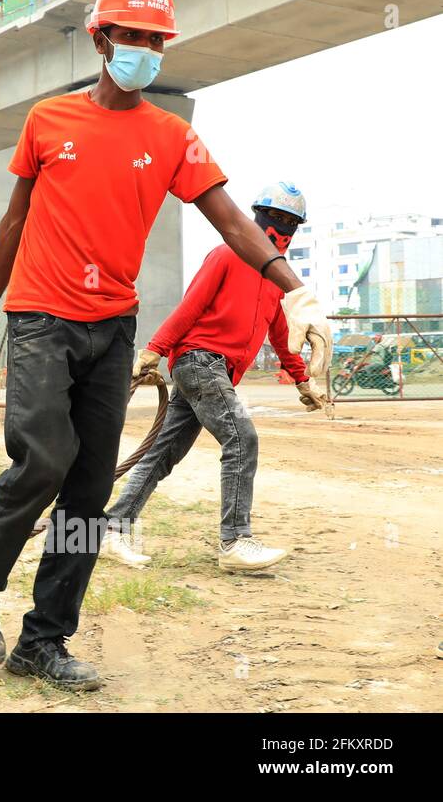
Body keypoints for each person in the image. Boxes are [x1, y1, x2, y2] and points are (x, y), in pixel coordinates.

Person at [0, 0, 333, 691]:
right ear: (100, 39)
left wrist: (294, 287)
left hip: (112, 328)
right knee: (45, 459)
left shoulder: (172, 135)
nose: (146, 50)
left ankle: (45, 639)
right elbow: (15, 220)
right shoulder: (48, 122)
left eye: (157, 40)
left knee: (88, 490)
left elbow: (232, 221)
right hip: (39, 319)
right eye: (134, 36)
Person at [101, 183, 330, 572]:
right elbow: (191, 307)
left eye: (292, 223)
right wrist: (154, 350)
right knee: (242, 437)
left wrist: (302, 380)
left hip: (216, 371)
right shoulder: (225, 255)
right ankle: (236, 541)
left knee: (161, 454)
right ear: (256, 217)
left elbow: (279, 333)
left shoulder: (277, 278)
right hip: (199, 360)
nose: (282, 228)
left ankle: (111, 532)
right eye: (276, 218)